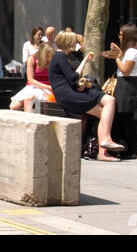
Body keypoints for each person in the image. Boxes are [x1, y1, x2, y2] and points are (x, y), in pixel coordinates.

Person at [49, 30, 123, 161]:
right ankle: (106, 138)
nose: (76, 44)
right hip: (69, 96)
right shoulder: (60, 56)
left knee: (103, 114)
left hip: (68, 94)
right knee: (110, 100)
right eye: (74, 42)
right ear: (69, 43)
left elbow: (69, 80)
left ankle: (102, 153)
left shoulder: (60, 57)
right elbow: (72, 78)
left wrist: (81, 85)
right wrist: (85, 61)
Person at [104, 23, 137, 159]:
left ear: (127, 35)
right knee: (122, 118)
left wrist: (116, 57)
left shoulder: (133, 51)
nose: (119, 36)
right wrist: (118, 53)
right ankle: (128, 147)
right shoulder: (130, 50)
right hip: (125, 85)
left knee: (125, 119)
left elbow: (126, 70)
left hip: (128, 85)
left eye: (121, 34)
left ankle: (132, 149)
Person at [9, 41, 56, 113]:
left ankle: (29, 121)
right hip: (34, 86)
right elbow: (30, 80)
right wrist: (48, 87)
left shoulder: (53, 61)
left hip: (47, 89)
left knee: (29, 100)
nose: (50, 57)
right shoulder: (32, 59)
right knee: (13, 107)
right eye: (48, 55)